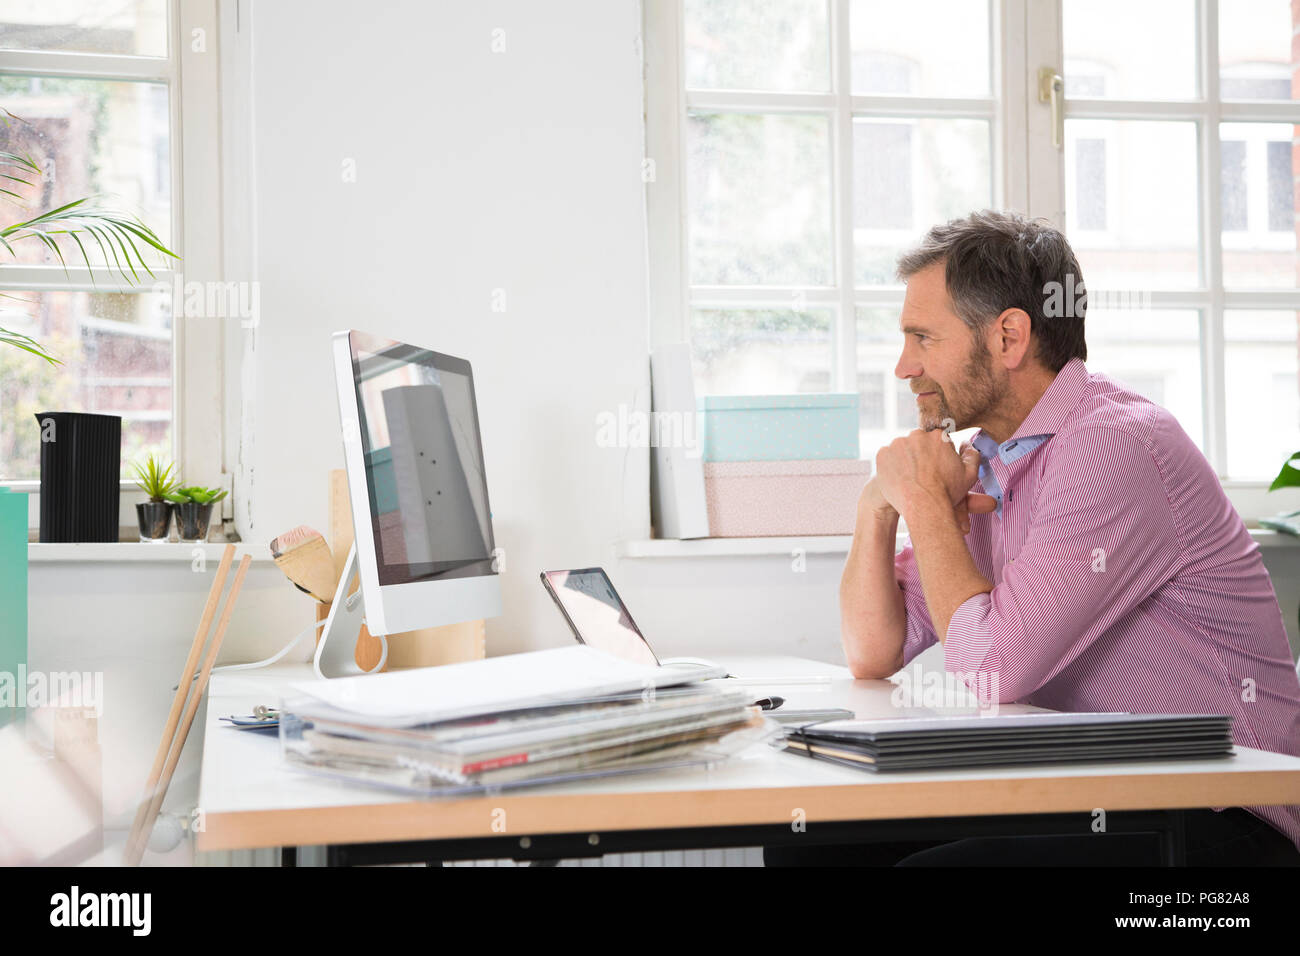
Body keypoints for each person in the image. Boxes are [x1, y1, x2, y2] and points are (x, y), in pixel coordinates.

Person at [769, 210, 1300, 866]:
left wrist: (929, 508)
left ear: (1009, 337)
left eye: (922, 337)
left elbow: (995, 670)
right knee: (809, 848)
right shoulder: (999, 457)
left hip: (1228, 816)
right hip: (1099, 791)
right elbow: (875, 652)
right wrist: (881, 504)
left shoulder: (1113, 445)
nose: (905, 366)